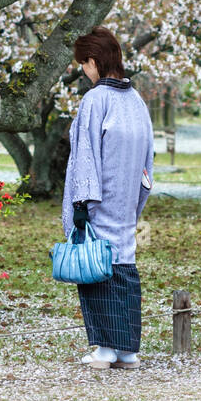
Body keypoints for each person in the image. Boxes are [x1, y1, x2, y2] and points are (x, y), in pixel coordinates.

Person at [61, 26, 154, 370]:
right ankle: (127, 350)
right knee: (124, 269)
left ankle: (104, 349)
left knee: (95, 269)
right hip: (127, 201)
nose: (83, 71)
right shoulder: (137, 102)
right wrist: (136, 202)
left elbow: (86, 155)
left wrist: (81, 204)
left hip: (97, 202)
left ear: (95, 61)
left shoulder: (95, 100)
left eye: (84, 63)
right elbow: (149, 162)